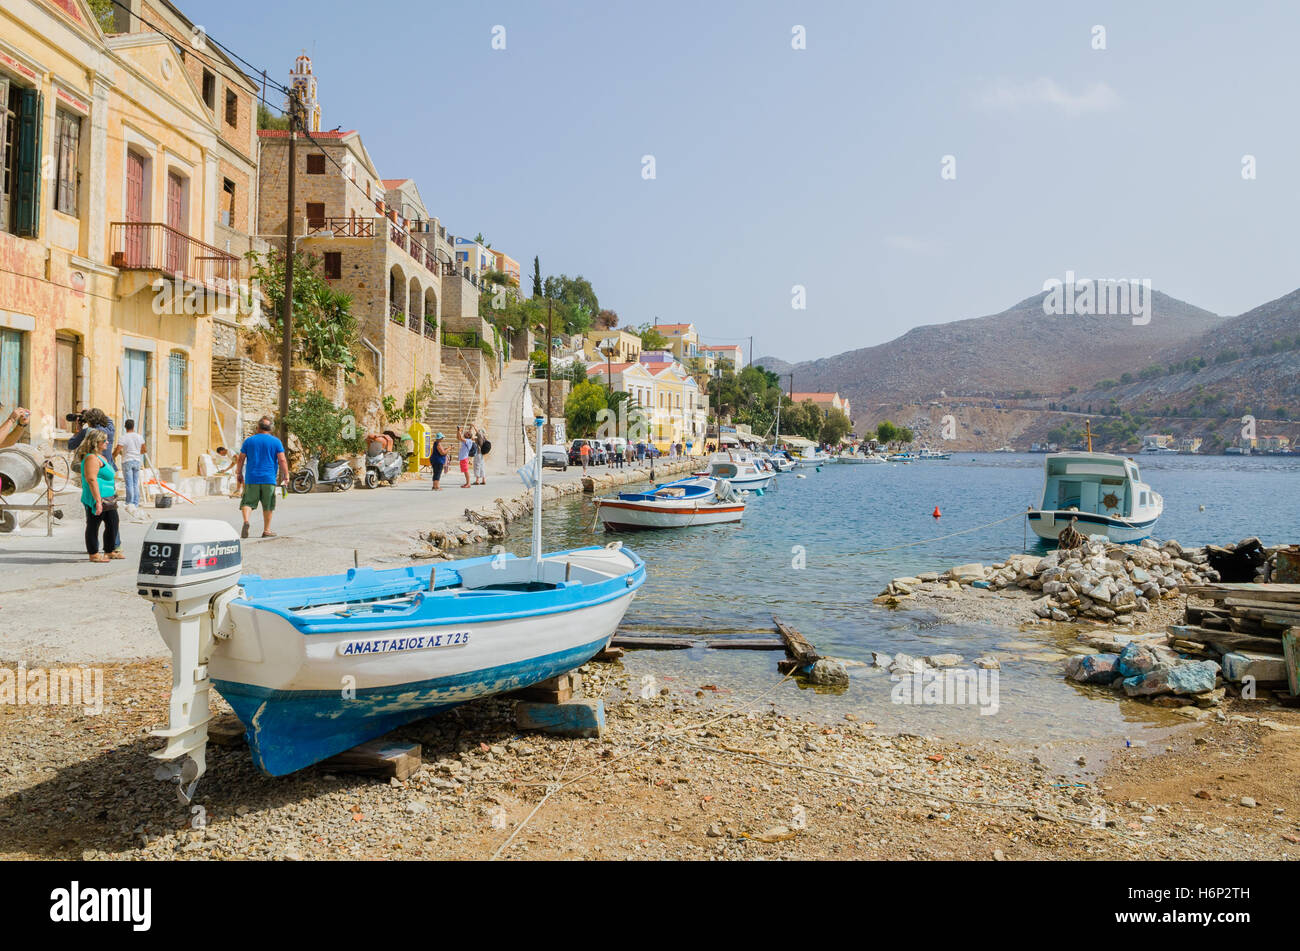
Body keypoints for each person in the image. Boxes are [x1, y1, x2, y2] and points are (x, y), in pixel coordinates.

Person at [235, 416, 288, 539]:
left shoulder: (249, 441)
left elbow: (241, 458)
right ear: (270, 429)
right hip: (268, 479)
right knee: (268, 505)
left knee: (247, 502)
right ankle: (266, 530)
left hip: (252, 478)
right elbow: (282, 459)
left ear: (258, 427)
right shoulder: (276, 442)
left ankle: (246, 521)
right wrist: (286, 475)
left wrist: (239, 473)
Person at [77, 428, 120, 563]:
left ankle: (109, 550)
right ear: (96, 442)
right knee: (93, 524)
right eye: (104, 440)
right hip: (97, 498)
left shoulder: (102, 457)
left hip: (109, 498)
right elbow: (91, 479)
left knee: (113, 523)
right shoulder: (91, 458)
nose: (107, 442)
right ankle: (94, 553)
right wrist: (98, 501)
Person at [113, 419, 145, 510]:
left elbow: (118, 450)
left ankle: (129, 503)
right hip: (137, 461)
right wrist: (136, 452)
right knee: (135, 483)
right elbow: (144, 450)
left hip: (127, 461)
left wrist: (113, 456)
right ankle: (135, 503)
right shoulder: (139, 437)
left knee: (129, 483)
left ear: (125, 426)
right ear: (133, 426)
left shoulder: (123, 437)